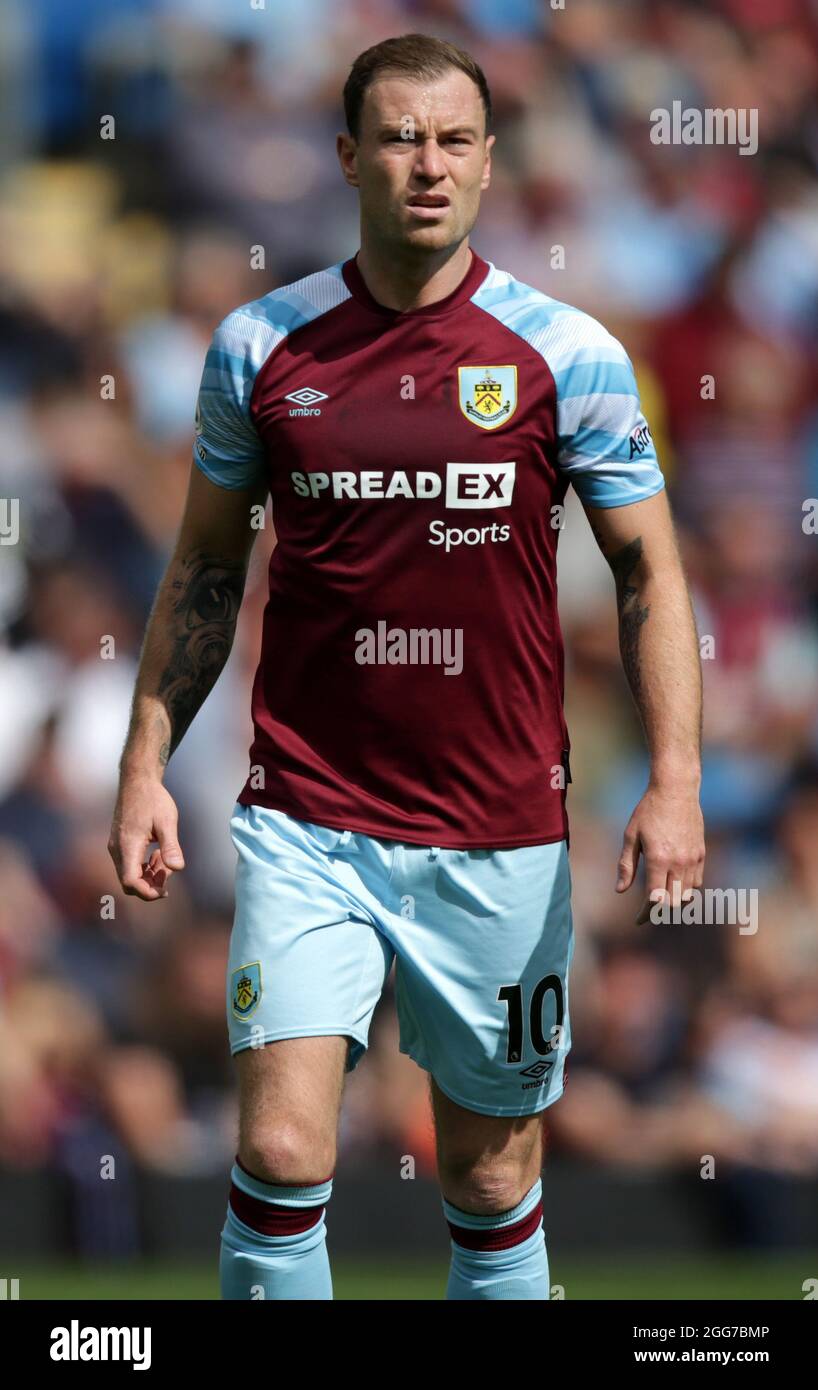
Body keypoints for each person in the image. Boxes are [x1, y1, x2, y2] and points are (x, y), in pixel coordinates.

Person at [108, 32, 705, 1300]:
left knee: (488, 1180)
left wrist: (676, 781)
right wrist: (145, 765)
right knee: (277, 1145)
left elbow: (654, 575)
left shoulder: (570, 354)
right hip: (308, 815)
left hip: (499, 826)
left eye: (452, 140)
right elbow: (206, 570)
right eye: (397, 137)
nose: (425, 165)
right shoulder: (261, 347)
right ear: (347, 158)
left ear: (490, 164)